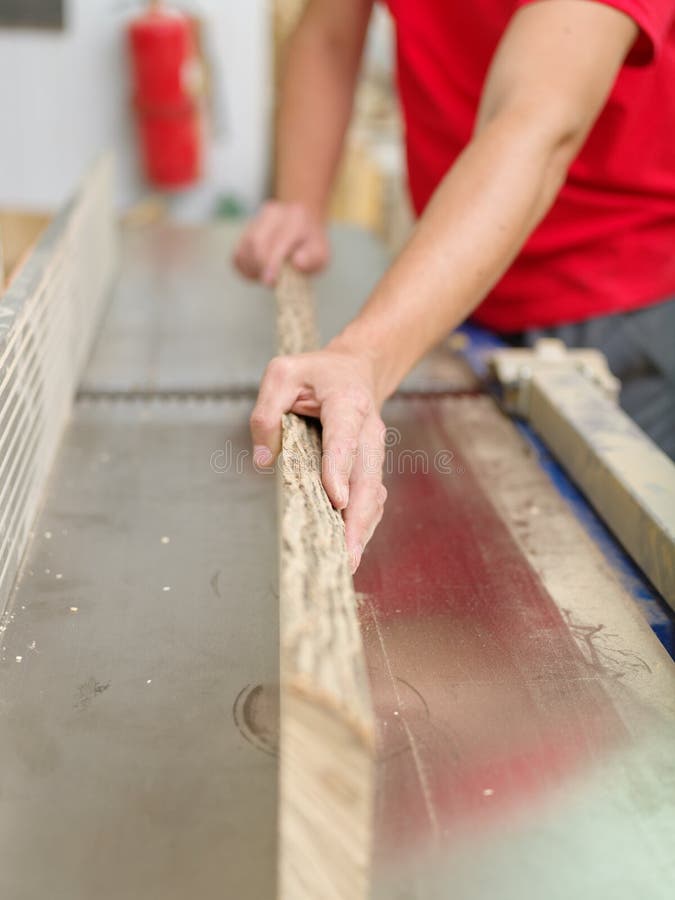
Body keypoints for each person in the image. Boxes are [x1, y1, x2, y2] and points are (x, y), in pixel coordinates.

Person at [234, 0, 675, 572]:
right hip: (457, 293)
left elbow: (537, 122)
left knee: (627, 583)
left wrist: (363, 354)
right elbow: (329, 33)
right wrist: (301, 201)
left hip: (625, 299)